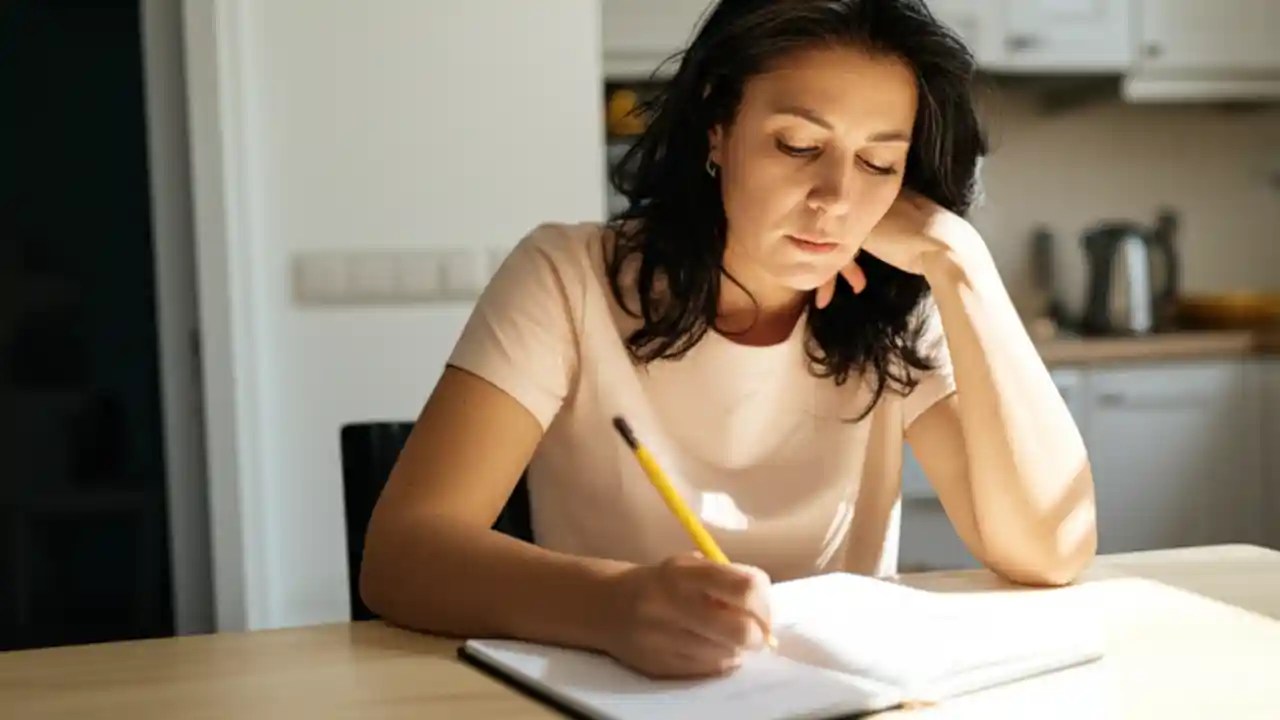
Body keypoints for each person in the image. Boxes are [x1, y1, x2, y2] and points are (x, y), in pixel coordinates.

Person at [360, 0, 1097, 680]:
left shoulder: (896, 308)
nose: (836, 197)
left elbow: (1050, 549)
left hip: (833, 699)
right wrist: (614, 605)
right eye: (799, 144)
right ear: (719, 125)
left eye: (879, 163)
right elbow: (401, 556)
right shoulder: (568, 277)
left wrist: (958, 261)